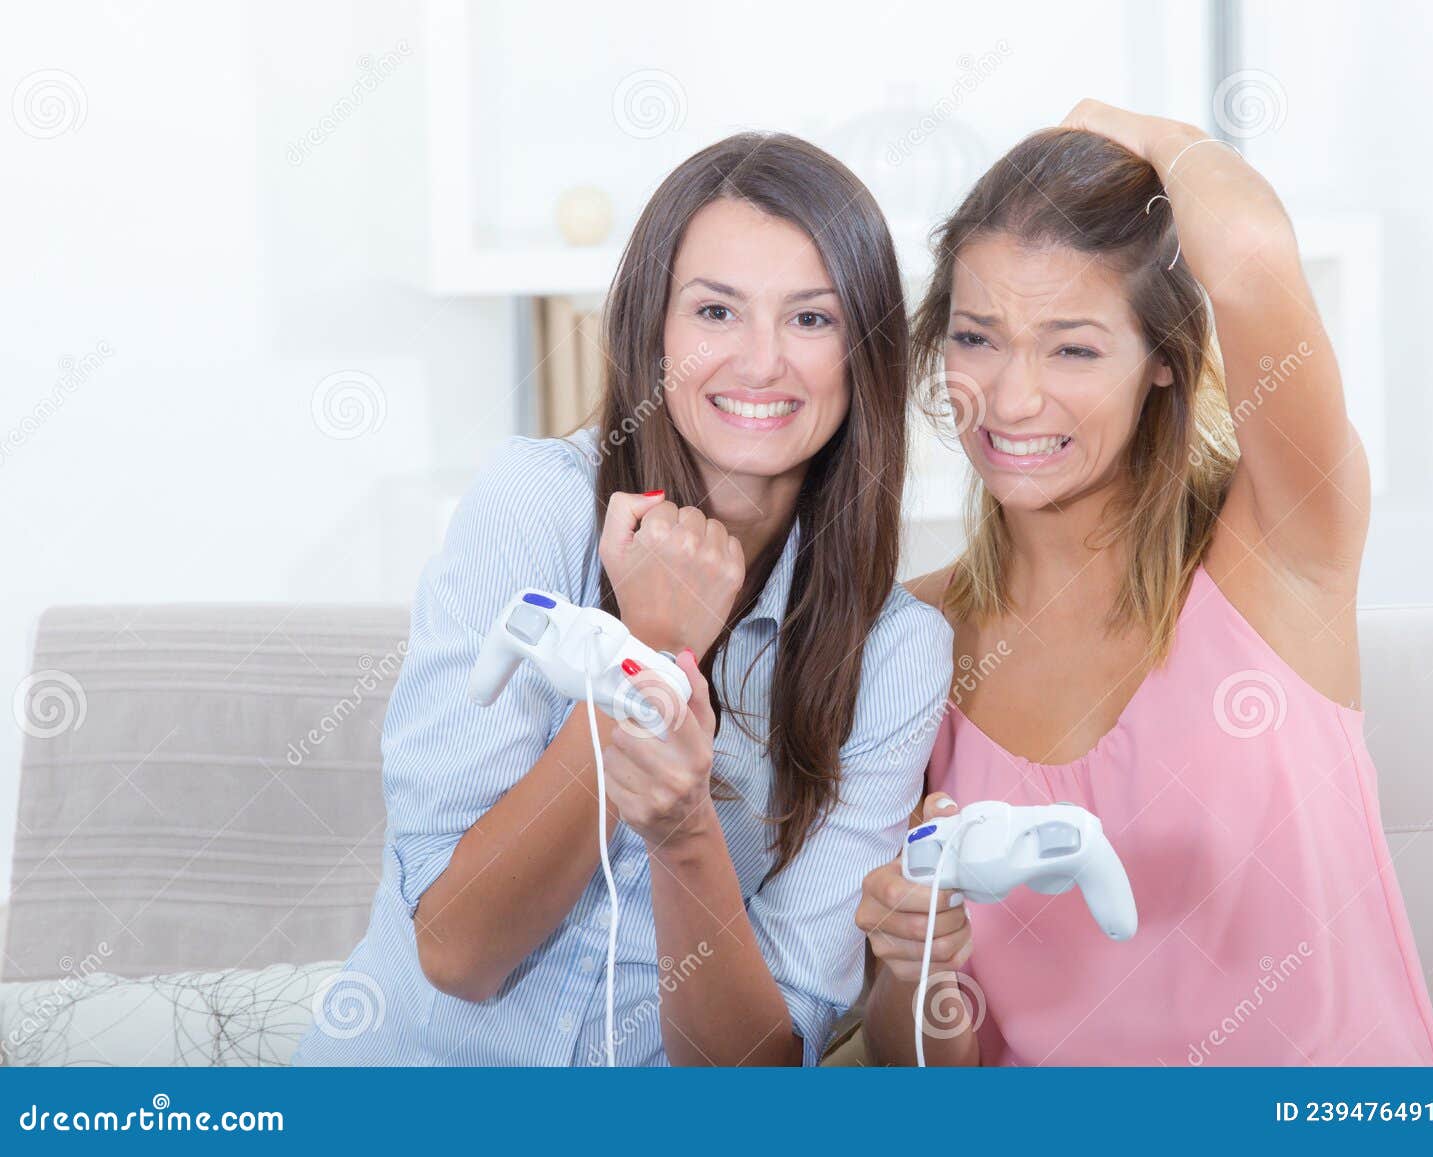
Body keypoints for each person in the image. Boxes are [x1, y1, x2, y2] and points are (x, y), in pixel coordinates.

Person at [296, 132, 952, 1066]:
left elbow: (758, 1071)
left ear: (865, 352)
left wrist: (685, 834)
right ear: (654, 330)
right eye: (717, 311)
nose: (761, 361)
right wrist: (643, 650)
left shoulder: (894, 655)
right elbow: (457, 952)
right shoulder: (535, 507)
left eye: (812, 318)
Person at [856, 102, 1433, 1066]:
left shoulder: (1280, 548)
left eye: (1073, 347)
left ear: (1163, 363)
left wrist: (1149, 134)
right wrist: (913, 959)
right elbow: (921, 1070)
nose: (1012, 397)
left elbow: (1249, 255)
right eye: (978, 338)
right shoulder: (913, 637)